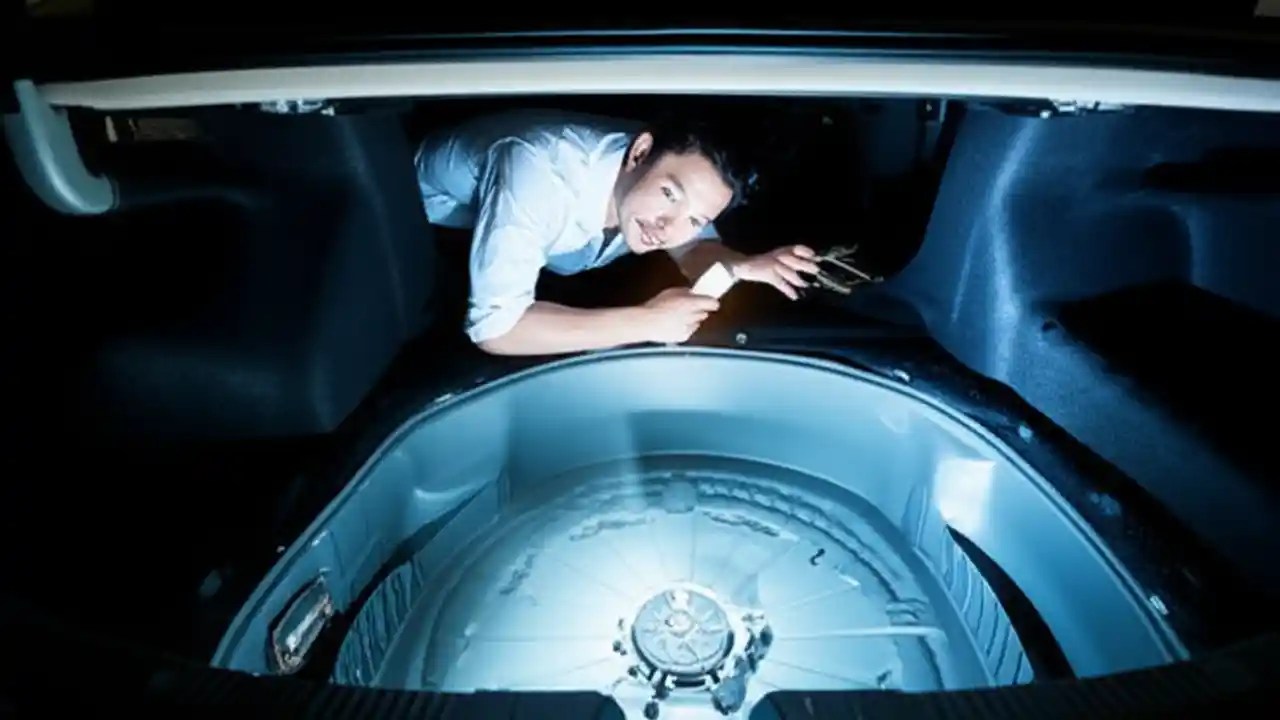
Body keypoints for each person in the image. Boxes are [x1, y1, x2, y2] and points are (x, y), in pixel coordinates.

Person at [414, 108, 820, 356]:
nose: (668, 227)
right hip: (419, 219)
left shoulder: (676, 185)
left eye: (695, 217)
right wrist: (645, 323)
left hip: (521, 236)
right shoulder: (539, 174)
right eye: (668, 194)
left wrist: (740, 265)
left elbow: (694, 246)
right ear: (639, 153)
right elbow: (496, 329)